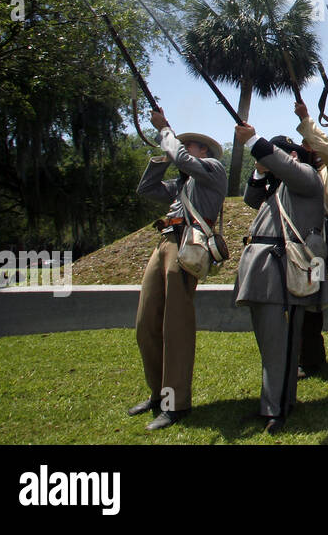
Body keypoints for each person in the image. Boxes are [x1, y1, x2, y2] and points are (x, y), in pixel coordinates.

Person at [130, 112, 226, 430]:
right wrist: (161, 156)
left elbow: (183, 160)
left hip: (187, 246)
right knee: (146, 322)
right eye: (181, 145)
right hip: (165, 242)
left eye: (190, 146)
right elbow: (146, 188)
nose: (183, 148)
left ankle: (175, 403)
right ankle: (157, 395)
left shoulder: (212, 170)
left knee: (176, 327)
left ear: (204, 152)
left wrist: (165, 130)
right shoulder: (183, 182)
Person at [233, 123, 328, 433]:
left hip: (283, 272)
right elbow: (251, 197)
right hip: (262, 271)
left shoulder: (306, 178)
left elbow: (281, 162)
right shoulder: (278, 188)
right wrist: (260, 170)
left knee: (281, 345)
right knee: (270, 344)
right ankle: (275, 401)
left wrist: (252, 140)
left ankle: (276, 408)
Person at [293, 102, 328, 378]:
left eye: (312, 145)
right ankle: (304, 354)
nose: (310, 149)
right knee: (303, 298)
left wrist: (306, 118)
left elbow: (325, 147)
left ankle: (312, 358)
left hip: (320, 247)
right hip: (304, 245)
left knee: (312, 300)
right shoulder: (312, 173)